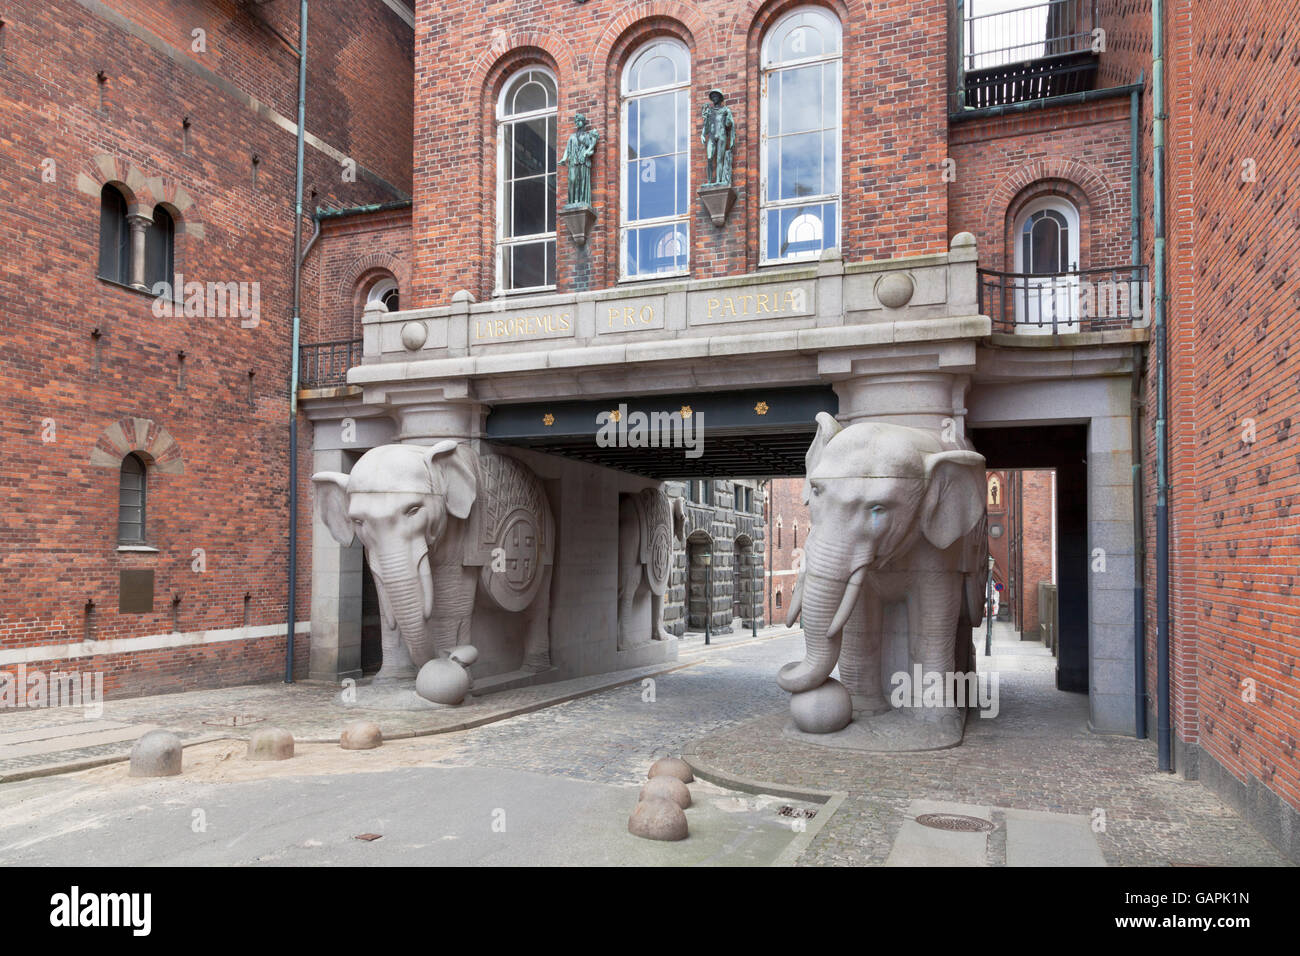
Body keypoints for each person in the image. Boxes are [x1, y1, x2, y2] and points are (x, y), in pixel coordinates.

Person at [559, 113, 599, 206]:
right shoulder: (572, 137)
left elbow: (591, 149)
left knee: (582, 180)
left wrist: (588, 153)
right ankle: (573, 201)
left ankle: (581, 201)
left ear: (583, 122)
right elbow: (567, 149)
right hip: (573, 161)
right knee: (572, 180)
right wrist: (564, 158)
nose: (577, 123)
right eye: (576, 121)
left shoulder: (587, 136)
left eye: (579, 121)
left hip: (583, 161)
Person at [700, 89, 734, 186]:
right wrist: (703, 134)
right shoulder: (709, 111)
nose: (714, 98)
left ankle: (718, 181)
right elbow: (706, 125)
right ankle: (709, 181)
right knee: (710, 157)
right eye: (713, 96)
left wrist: (728, 119)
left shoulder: (725, 110)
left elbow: (729, 124)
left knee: (720, 159)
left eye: (716, 96)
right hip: (711, 136)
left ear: (720, 98)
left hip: (721, 135)